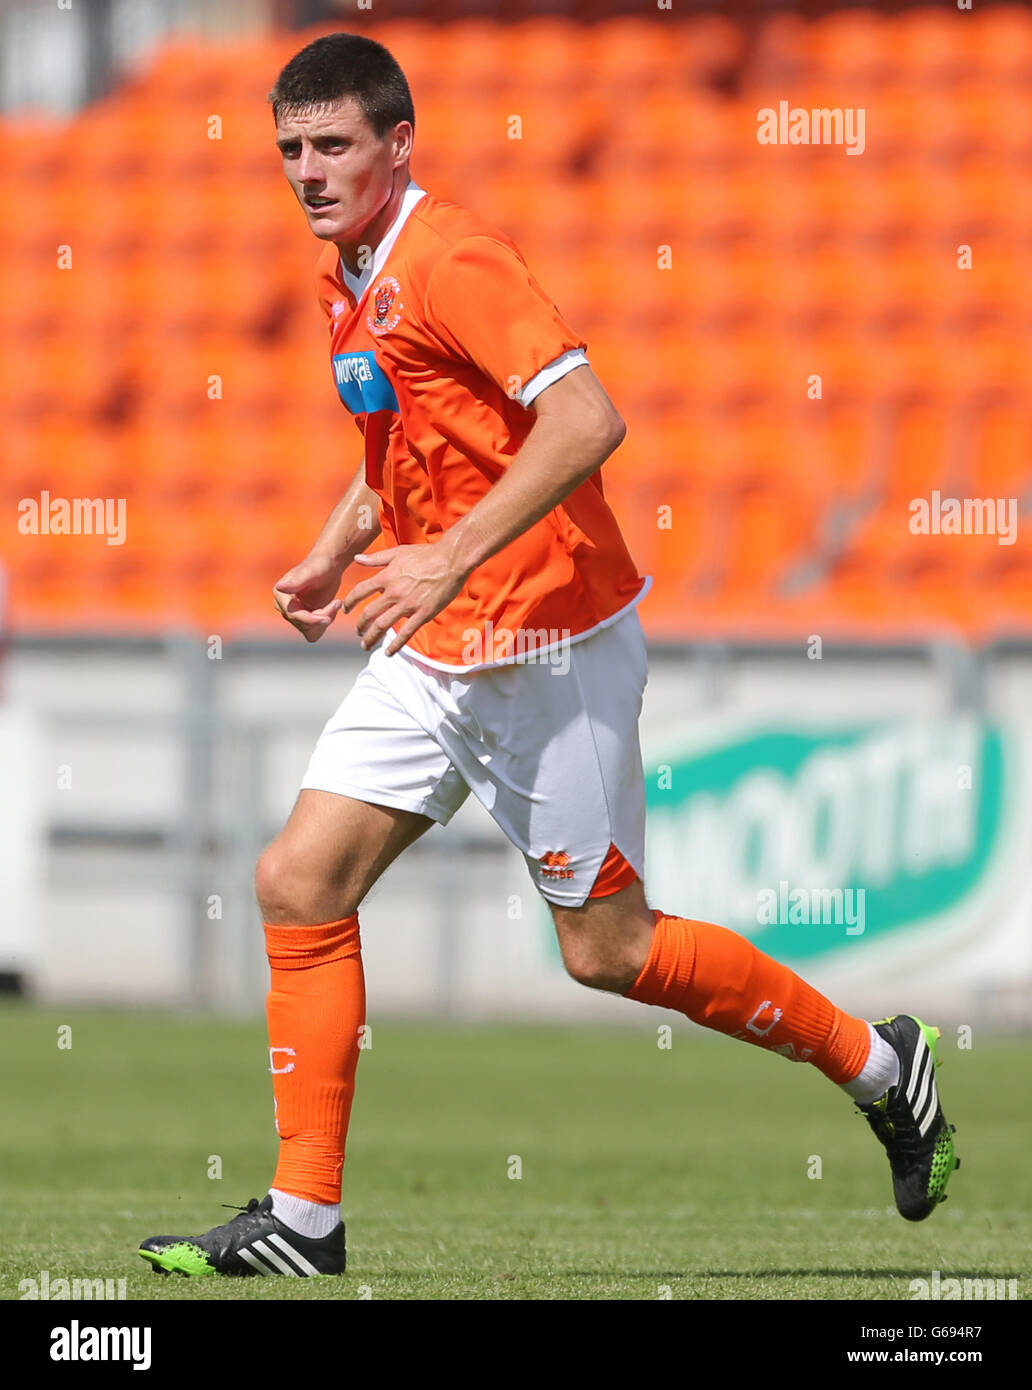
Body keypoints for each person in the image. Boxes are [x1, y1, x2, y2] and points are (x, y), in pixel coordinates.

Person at [139, 33, 958, 1279]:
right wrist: (333, 544)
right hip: (436, 636)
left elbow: (589, 418)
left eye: (333, 145)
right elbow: (403, 443)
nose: (308, 171)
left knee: (608, 951)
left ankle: (880, 1065)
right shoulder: (343, 272)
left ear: (396, 143)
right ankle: (305, 1221)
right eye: (291, 149)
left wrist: (448, 555)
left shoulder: (453, 257)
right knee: (298, 882)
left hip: (543, 635)